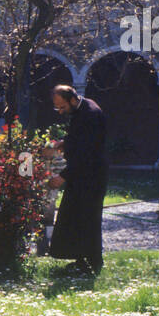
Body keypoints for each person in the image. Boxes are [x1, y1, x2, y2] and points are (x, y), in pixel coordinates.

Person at [47, 85, 107, 274]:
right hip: (81, 174)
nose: (61, 112)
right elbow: (79, 139)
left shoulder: (90, 114)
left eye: (62, 107)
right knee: (76, 218)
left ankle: (93, 263)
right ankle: (81, 260)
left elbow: (87, 153)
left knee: (89, 219)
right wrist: (62, 144)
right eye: (57, 108)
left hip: (92, 175)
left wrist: (63, 177)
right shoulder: (81, 109)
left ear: (72, 100)